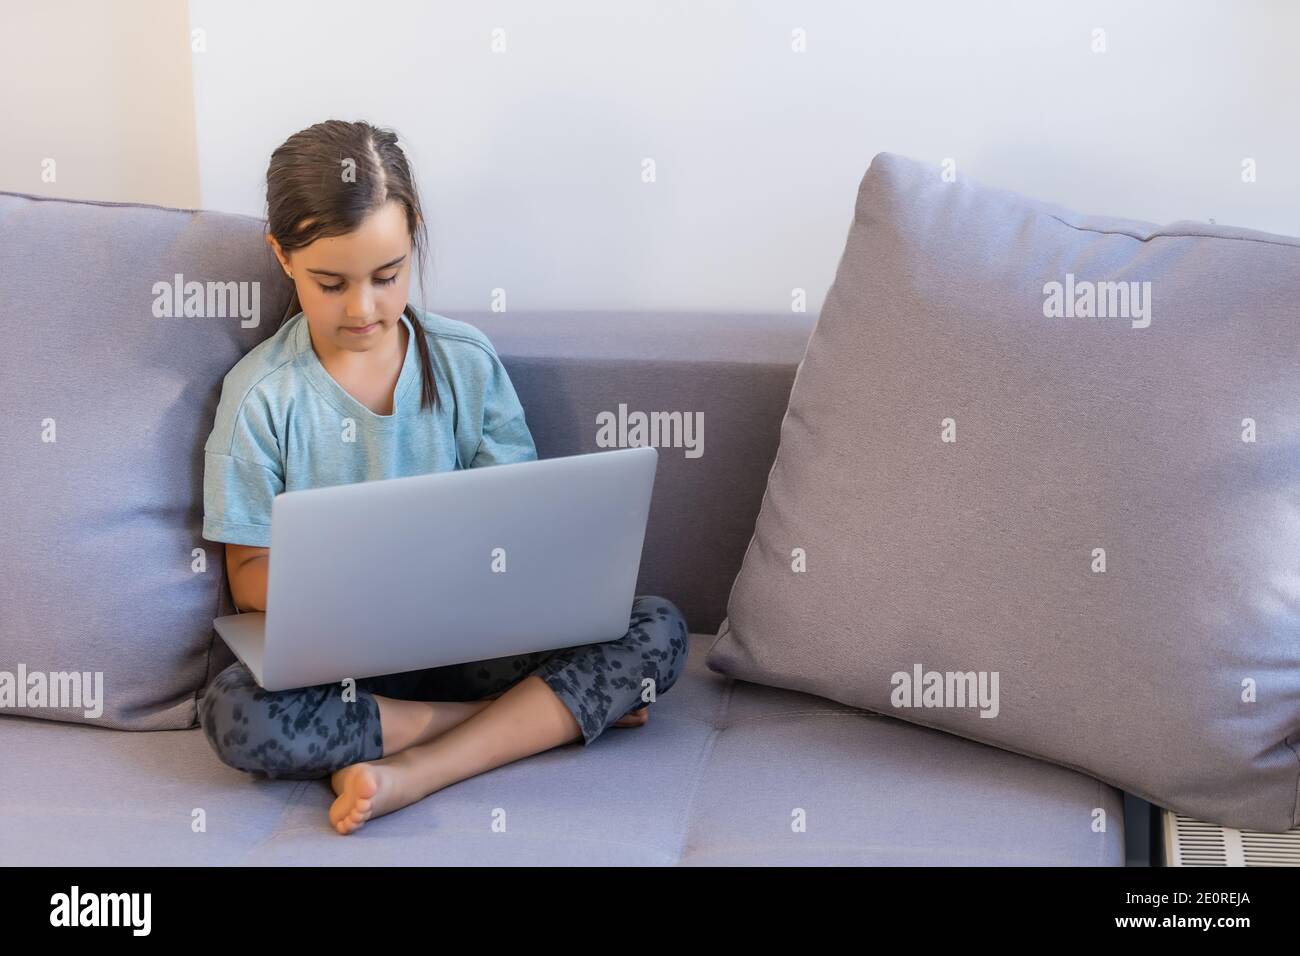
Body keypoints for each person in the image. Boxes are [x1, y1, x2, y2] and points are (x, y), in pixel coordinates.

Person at [198, 120, 688, 835]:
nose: (363, 308)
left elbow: (517, 517)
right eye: (330, 284)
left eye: (387, 276)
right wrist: (366, 582)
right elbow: (246, 573)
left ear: (414, 236)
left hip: (475, 643)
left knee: (657, 627)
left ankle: (421, 767)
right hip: (345, 666)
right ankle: (512, 725)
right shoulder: (261, 397)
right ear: (283, 256)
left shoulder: (464, 361)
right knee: (235, 713)